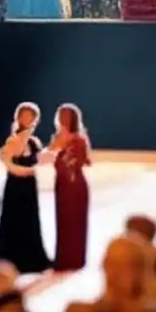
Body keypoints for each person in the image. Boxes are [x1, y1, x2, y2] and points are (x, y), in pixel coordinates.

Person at [0, 103, 52, 274]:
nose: (28, 119)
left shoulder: (33, 142)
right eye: (24, 116)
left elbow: (40, 160)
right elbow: (8, 163)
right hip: (15, 187)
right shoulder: (14, 139)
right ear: (18, 118)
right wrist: (27, 170)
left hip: (29, 186)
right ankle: (12, 260)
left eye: (31, 116)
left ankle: (33, 260)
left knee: (30, 222)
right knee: (13, 222)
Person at [52, 103, 91, 271]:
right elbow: (50, 156)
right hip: (61, 183)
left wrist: (68, 148)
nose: (63, 119)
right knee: (62, 222)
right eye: (61, 116)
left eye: (67, 116)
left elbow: (84, 161)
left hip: (75, 185)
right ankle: (63, 258)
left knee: (75, 223)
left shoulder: (79, 139)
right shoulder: (57, 137)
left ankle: (75, 259)